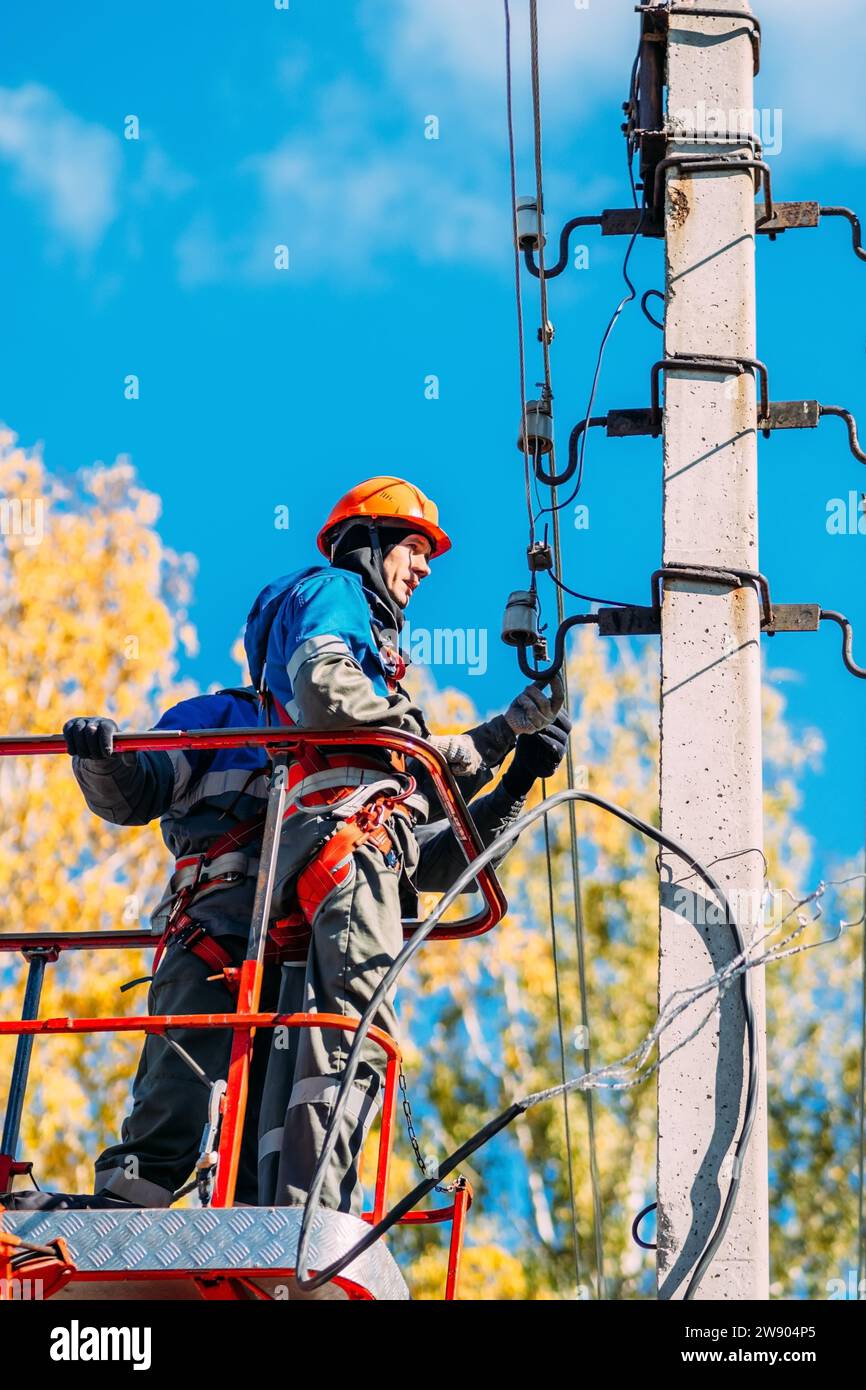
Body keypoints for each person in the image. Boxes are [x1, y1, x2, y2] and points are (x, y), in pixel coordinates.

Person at [245, 475, 571, 1213]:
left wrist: (512, 760)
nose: (424, 570)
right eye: (414, 548)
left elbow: (442, 858)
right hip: (342, 843)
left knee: (312, 1041)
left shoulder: (371, 741)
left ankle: (288, 1209)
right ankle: (313, 1217)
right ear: (365, 544)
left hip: (356, 847)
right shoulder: (334, 592)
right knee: (355, 1029)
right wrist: (433, 741)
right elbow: (327, 693)